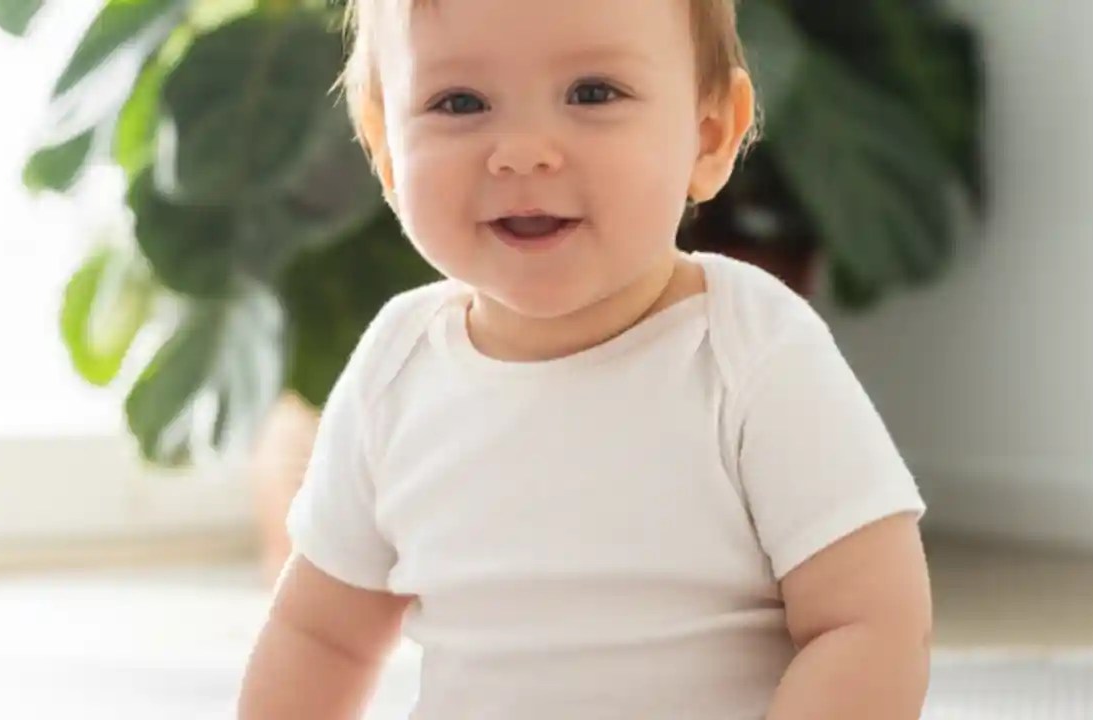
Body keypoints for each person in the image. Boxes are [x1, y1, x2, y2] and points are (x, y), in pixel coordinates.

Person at [238, 0, 932, 717]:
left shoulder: (748, 347)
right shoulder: (397, 365)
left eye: (593, 93)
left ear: (709, 134)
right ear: (385, 146)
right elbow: (320, 635)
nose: (522, 149)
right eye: (460, 102)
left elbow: (869, 623)